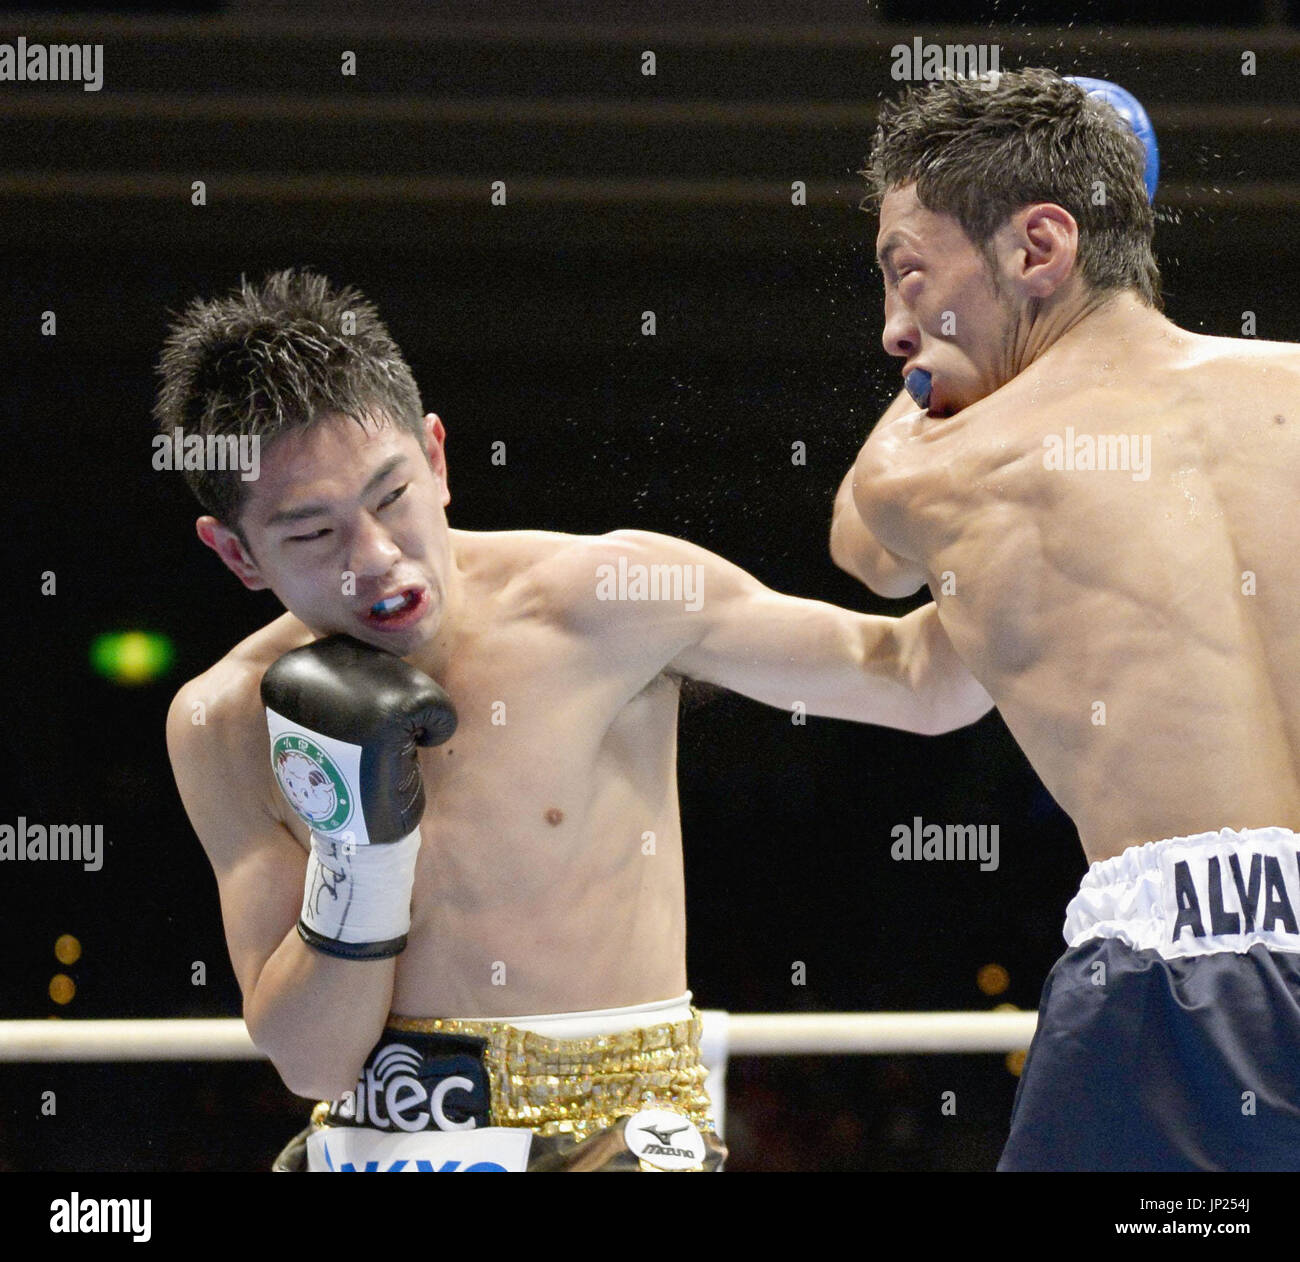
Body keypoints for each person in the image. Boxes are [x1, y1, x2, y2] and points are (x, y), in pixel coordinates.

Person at [159, 268, 991, 1172]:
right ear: (238, 553)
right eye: (313, 535)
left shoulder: (608, 600)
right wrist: (362, 858)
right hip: (376, 1146)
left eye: (391, 496)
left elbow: (922, 682)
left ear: (437, 459)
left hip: (621, 1141)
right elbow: (313, 1062)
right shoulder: (225, 719)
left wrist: (982, 403)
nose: (377, 557)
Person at [832, 66, 1300, 1172]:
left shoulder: (942, 472)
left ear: (1040, 246)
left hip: (1184, 984)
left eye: (907, 274)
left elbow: (868, 553)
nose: (895, 327)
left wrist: (931, 381)